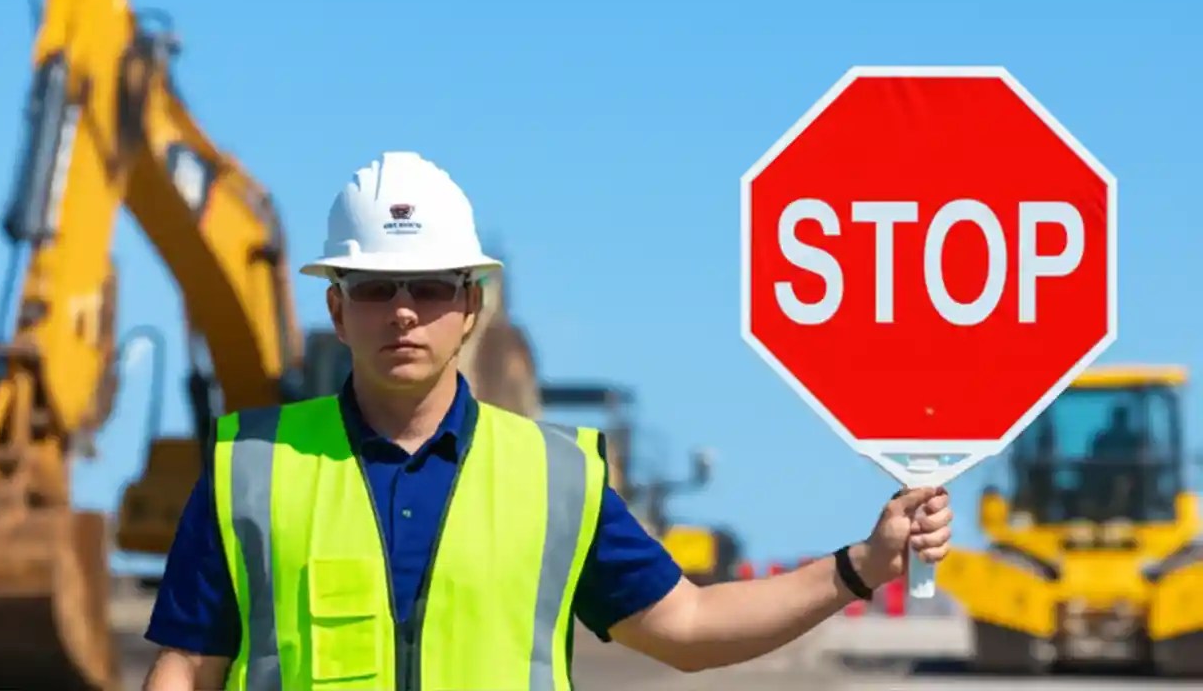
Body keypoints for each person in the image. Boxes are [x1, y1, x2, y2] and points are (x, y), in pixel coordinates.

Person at [140, 150, 954, 690]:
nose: (402, 313)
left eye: (427, 287)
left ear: (469, 306)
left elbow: (690, 625)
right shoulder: (251, 466)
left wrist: (863, 563)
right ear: (335, 306)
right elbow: (186, 666)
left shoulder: (554, 476)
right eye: (374, 288)